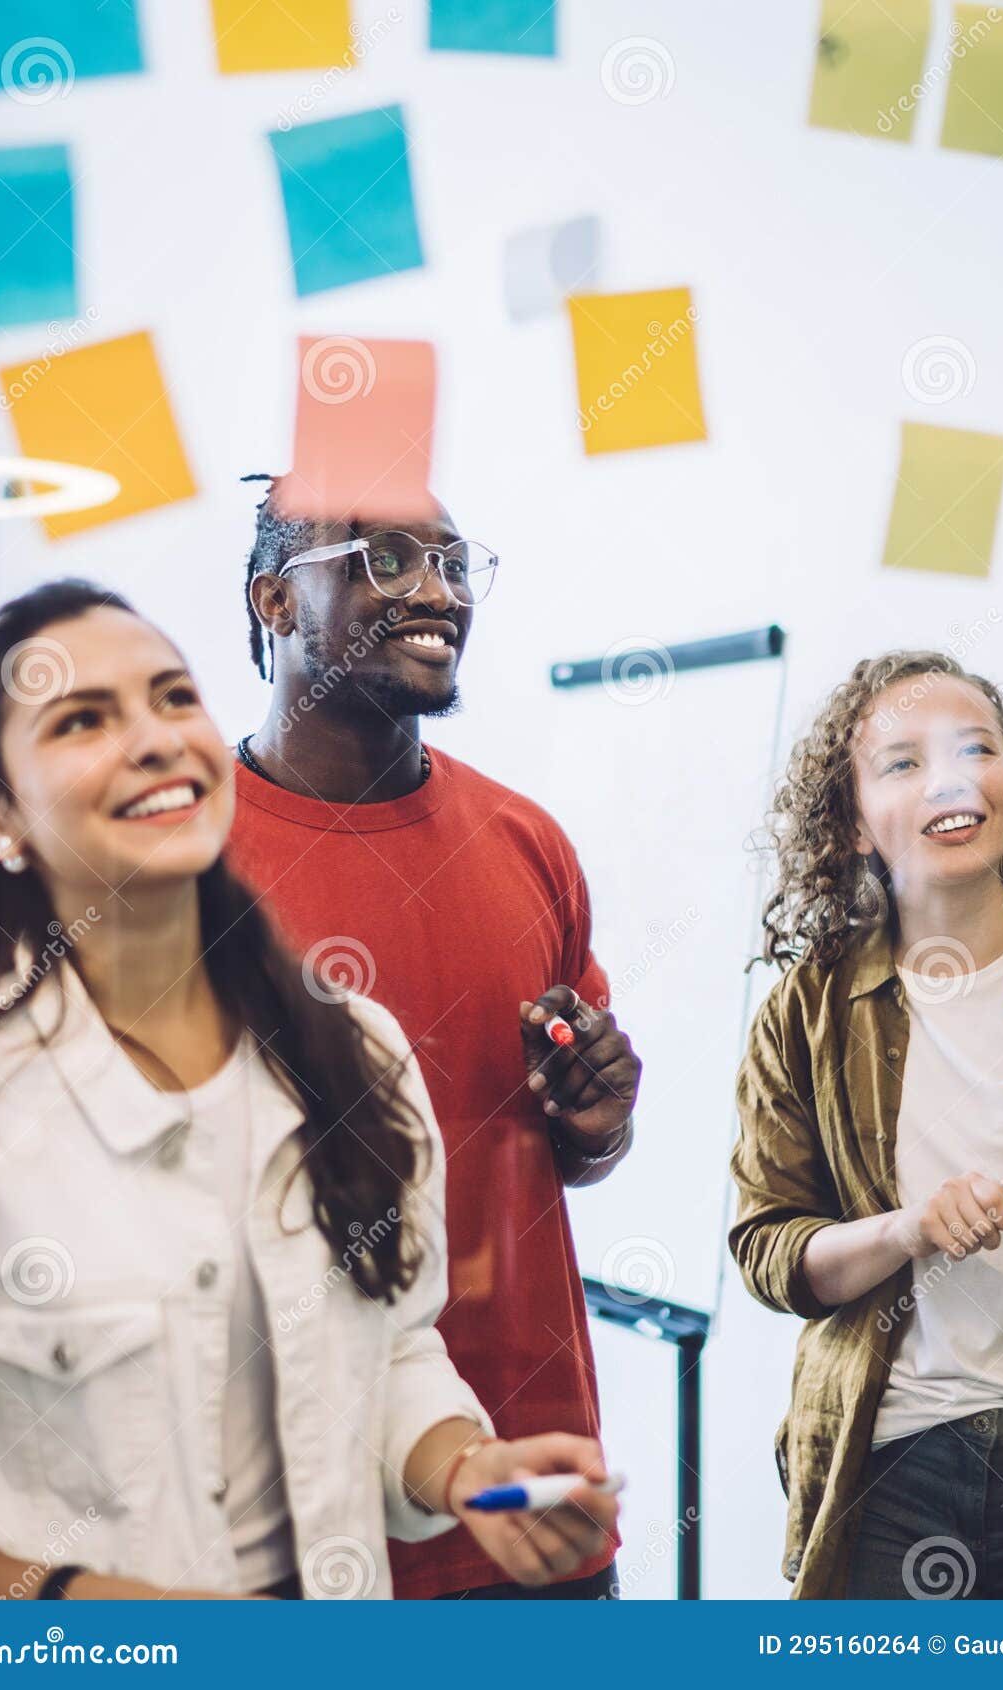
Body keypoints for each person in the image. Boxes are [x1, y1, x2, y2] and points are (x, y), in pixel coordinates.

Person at [0, 578, 620, 1601]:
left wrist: (467, 1469)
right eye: (82, 720)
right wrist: (109, 1613)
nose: (154, 739)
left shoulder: (354, 1050)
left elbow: (389, 1354)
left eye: (172, 697)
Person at [230, 484, 642, 1598]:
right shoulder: (183, 866)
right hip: (286, 1520)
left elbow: (577, 1155)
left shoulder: (526, 841)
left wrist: (599, 1122)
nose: (437, 591)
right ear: (275, 601)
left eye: (455, 564)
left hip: (531, 1489)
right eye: (386, 557)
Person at [730, 650, 1003, 1600]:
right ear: (852, 822)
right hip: (888, 1468)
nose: (952, 781)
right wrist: (907, 1230)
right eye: (904, 763)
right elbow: (768, 1248)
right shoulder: (804, 1012)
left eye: (978, 750)